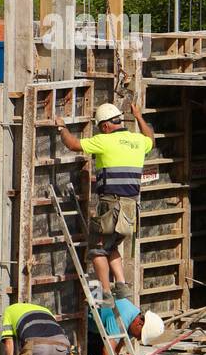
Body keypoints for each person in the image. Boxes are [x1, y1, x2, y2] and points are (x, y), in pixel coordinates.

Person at [55, 100, 154, 306]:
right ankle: (121, 283)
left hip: (111, 206)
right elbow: (151, 138)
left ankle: (106, 293)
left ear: (106, 126)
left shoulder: (104, 141)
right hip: (130, 209)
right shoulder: (138, 141)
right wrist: (138, 116)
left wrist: (62, 127)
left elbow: (73, 144)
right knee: (112, 245)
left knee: (97, 249)